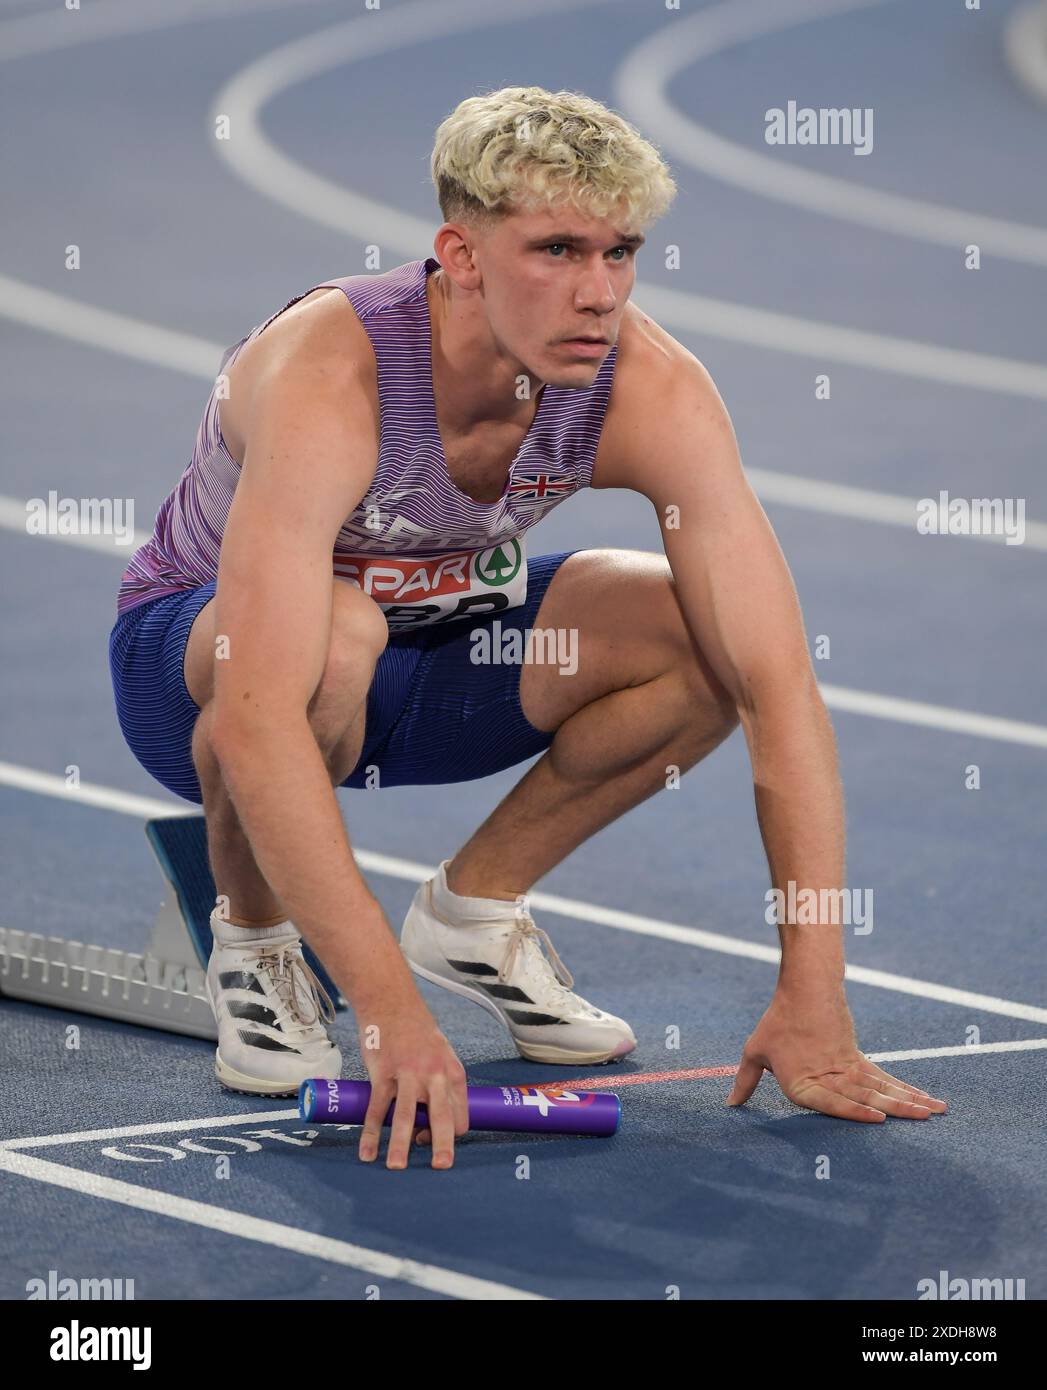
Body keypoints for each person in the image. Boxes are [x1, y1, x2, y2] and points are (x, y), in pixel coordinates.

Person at [108, 86, 946, 1171]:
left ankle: (475, 906)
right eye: (556, 249)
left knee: (701, 639)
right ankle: (257, 944)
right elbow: (261, 715)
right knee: (336, 626)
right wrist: (388, 1015)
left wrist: (815, 994)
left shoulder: (651, 386)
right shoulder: (332, 370)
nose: (598, 293)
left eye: (620, 252)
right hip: (207, 675)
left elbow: (781, 686)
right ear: (460, 254)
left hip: (442, 652)